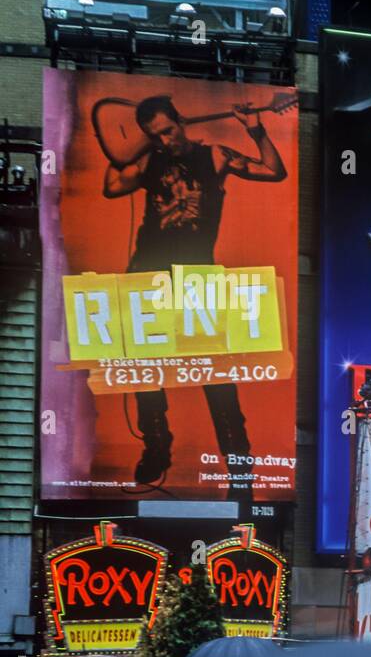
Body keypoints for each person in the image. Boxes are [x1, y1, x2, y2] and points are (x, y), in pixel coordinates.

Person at [100, 94, 287, 491]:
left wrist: (255, 129)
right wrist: (139, 146)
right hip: (148, 274)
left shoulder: (215, 156)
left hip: (197, 278)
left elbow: (274, 171)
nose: (166, 140)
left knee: (217, 377)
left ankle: (239, 466)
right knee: (144, 371)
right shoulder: (151, 160)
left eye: (168, 130)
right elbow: (113, 186)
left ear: (180, 121)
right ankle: (156, 444)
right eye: (156, 136)